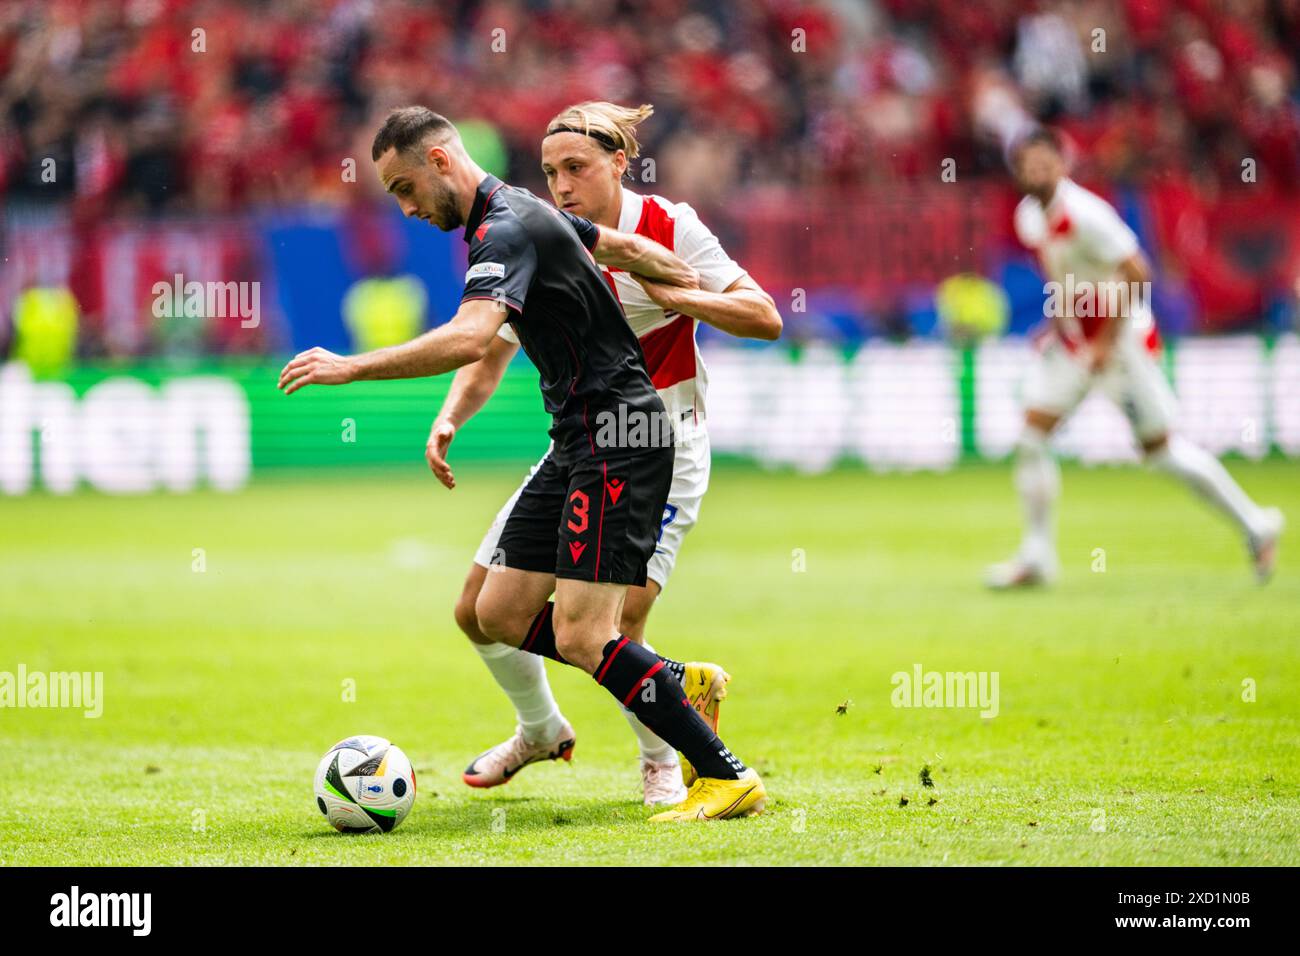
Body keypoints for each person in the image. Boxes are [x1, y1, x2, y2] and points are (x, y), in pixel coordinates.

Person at [279, 106, 766, 821]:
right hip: (577, 437)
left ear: (442, 161)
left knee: (588, 632)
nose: (407, 209)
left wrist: (350, 367)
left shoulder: (506, 228)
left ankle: (723, 773)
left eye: (405, 189)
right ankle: (656, 684)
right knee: (494, 610)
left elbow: (473, 337)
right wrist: (663, 273)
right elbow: (623, 249)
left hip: (623, 435)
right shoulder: (523, 214)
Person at [425, 102, 781, 805]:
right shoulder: (543, 238)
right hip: (585, 440)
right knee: (480, 608)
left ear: (620, 163)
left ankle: (663, 759)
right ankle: (542, 726)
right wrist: (450, 416)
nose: (561, 185)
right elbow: (489, 352)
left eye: (577, 169)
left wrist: (679, 295)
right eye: (551, 171)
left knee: (617, 621)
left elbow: (764, 317)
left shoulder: (668, 228)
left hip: (663, 444)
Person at [986, 128, 1284, 589]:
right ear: (1018, 172)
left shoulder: (1089, 215)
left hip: (1121, 346)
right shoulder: (1029, 216)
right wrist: (1059, 322)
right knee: (1031, 438)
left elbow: (1138, 273)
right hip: (1075, 344)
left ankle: (1256, 525)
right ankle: (1037, 556)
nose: (1038, 172)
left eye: (1046, 163)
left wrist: (1104, 342)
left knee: (1163, 454)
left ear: (1063, 165)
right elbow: (1067, 274)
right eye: (1028, 165)